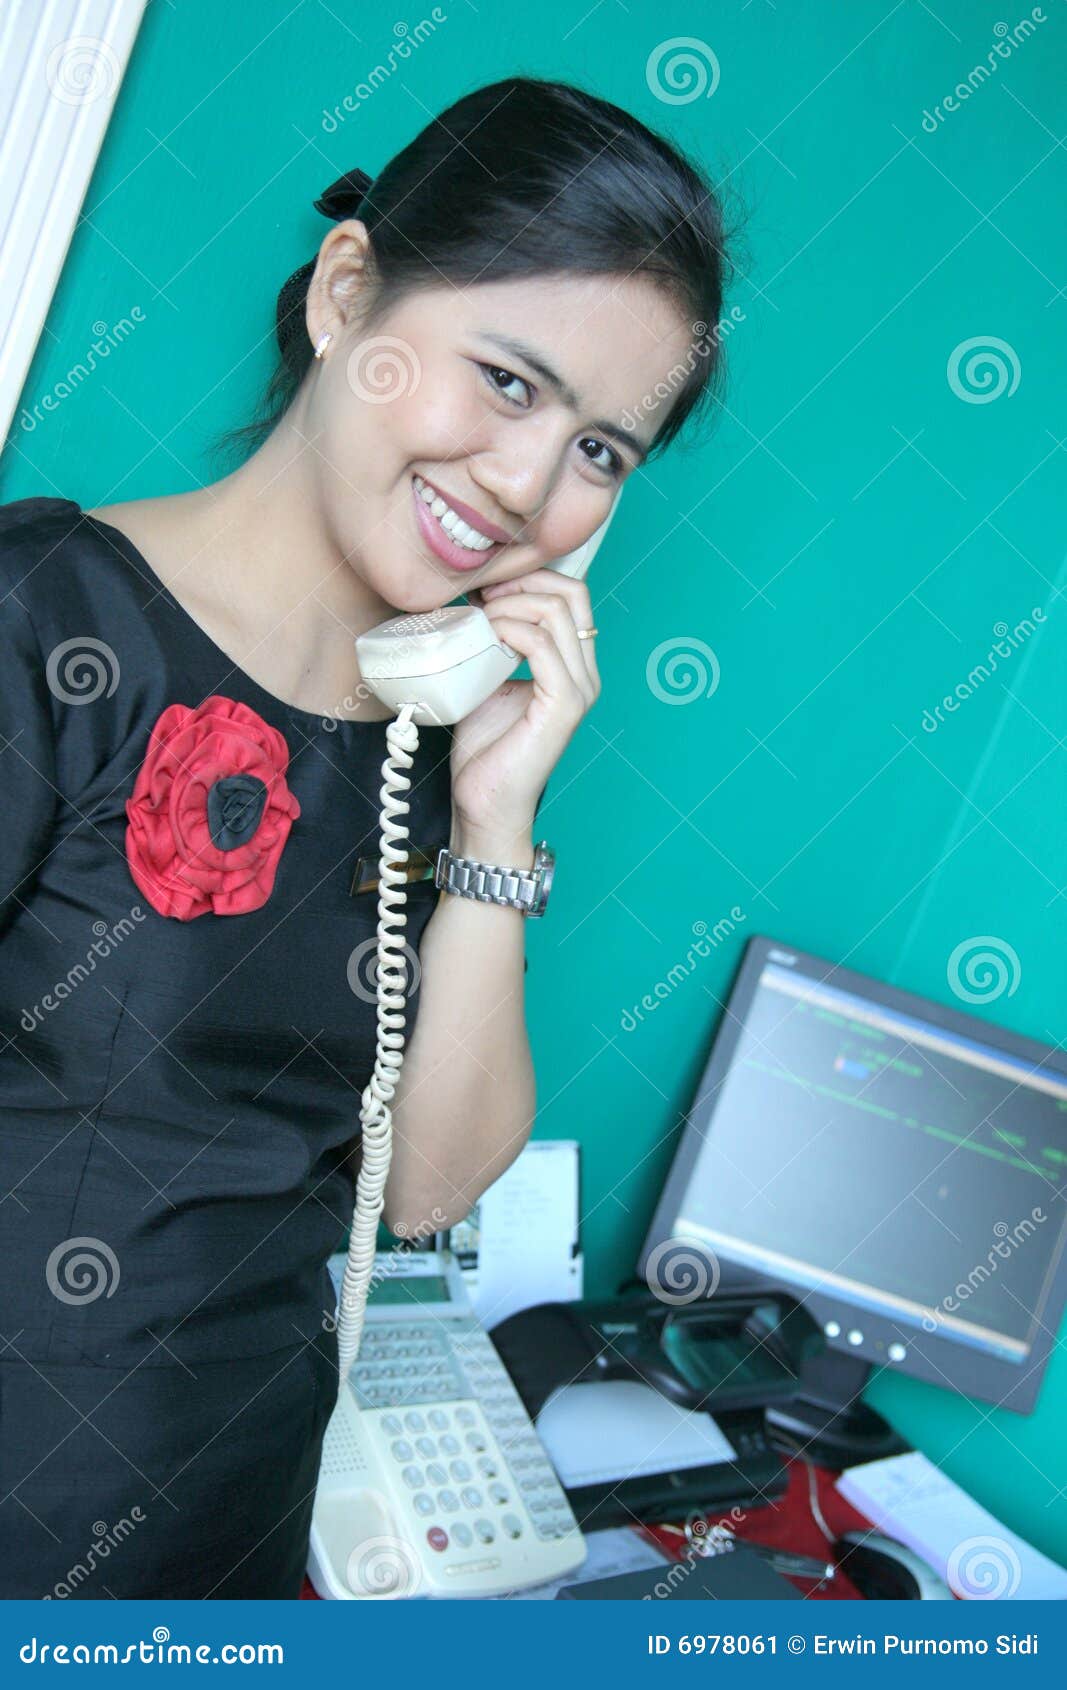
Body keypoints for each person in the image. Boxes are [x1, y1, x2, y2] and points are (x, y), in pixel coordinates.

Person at [0, 75, 734, 1598]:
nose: (532, 487)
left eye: (605, 450)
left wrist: (497, 809)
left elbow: (428, 1192)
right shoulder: (46, 624)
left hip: (235, 1560)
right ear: (349, 294)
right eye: (512, 383)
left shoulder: (429, 741)